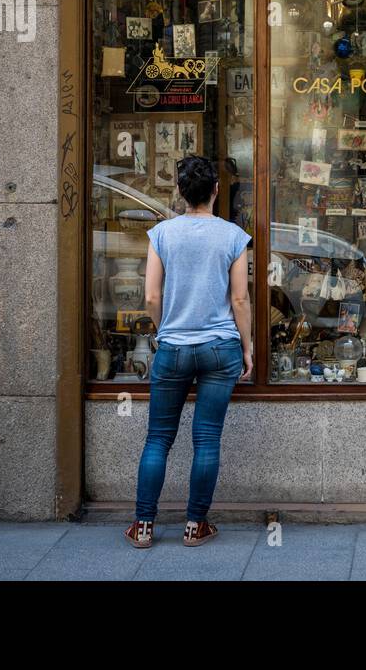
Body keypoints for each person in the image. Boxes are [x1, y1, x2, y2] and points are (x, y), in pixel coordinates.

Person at [125, 155, 254, 549]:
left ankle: (144, 526)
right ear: (216, 191)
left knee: (158, 438)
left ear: (179, 192)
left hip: (173, 348)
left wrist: (165, 329)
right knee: (207, 438)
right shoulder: (233, 236)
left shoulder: (162, 234)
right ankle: (196, 525)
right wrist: (246, 348)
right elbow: (240, 299)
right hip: (220, 348)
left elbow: (150, 295)